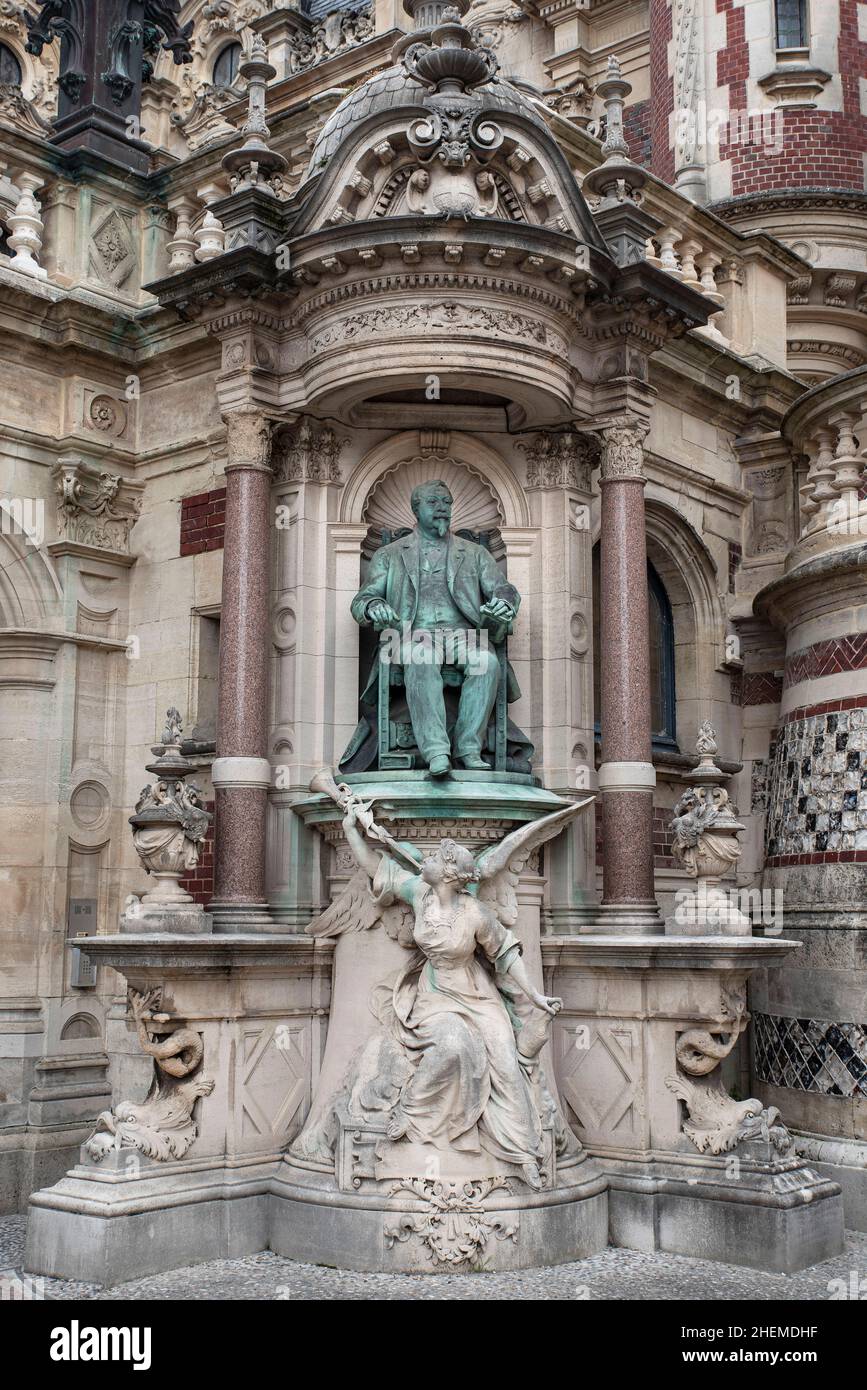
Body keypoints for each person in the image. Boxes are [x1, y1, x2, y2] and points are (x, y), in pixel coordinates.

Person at [349, 479, 520, 776]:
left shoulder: (474, 553)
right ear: (416, 509)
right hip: (411, 634)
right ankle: (437, 751)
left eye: (446, 502)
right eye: (433, 502)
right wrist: (373, 605)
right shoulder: (389, 554)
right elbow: (363, 599)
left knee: (487, 662)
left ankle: (469, 748)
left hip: (464, 634)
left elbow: (503, 589)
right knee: (421, 657)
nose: (442, 508)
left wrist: (505, 603)